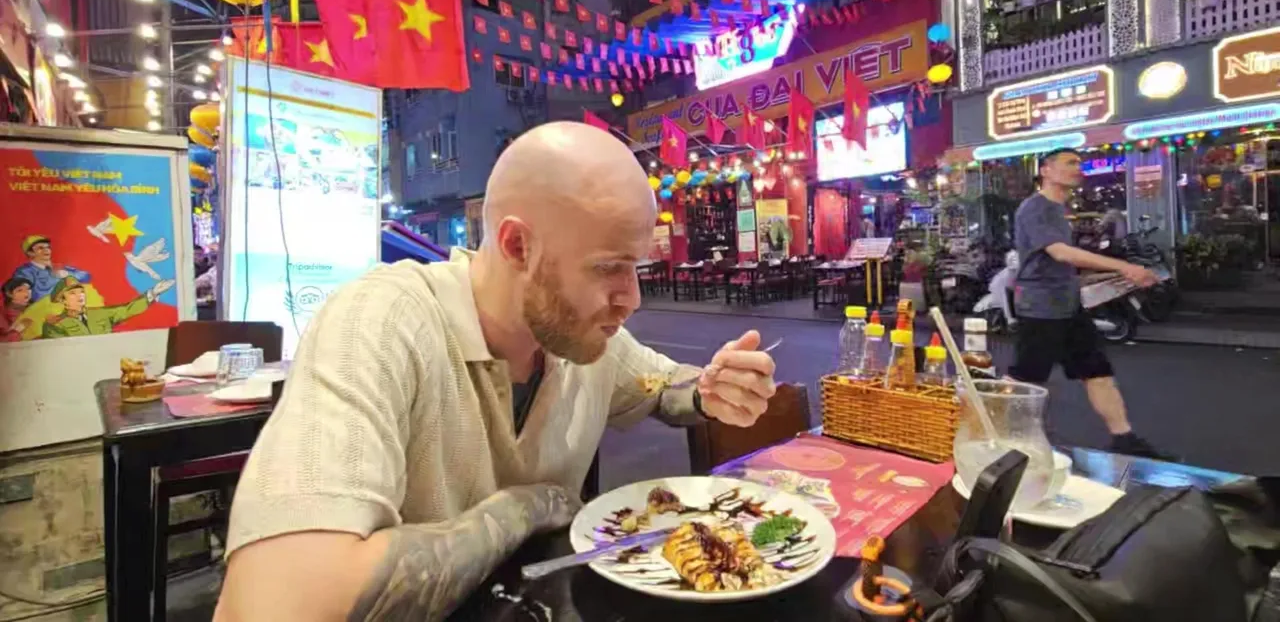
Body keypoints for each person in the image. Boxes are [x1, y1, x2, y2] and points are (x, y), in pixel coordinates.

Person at [214, 122, 779, 622]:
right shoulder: (382, 319)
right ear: (516, 246)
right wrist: (529, 506)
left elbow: (663, 386)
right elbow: (284, 597)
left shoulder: (578, 336)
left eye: (637, 268)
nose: (631, 299)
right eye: (609, 268)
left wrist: (711, 390)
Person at [1010, 148, 1164, 458]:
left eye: (1079, 163)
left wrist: (1103, 278)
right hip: (1041, 307)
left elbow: (1061, 263)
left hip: (1068, 305)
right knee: (1025, 381)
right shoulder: (1036, 208)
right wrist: (1124, 267)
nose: (1077, 168)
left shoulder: (1058, 210)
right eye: (1069, 163)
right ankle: (997, 436)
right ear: (1046, 170)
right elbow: (1060, 253)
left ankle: (1124, 438)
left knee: (1097, 370)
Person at [40, 276, 174, 338]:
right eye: (73, 293)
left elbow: (127, 310)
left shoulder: (100, 314)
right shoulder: (55, 325)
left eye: (81, 292)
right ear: (62, 300)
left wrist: (153, 293)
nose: (80, 295)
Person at [11, 235, 91, 302]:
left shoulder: (59, 267)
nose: (46, 250)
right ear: (30, 253)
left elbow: (86, 276)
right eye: (40, 248)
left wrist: (67, 274)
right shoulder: (24, 272)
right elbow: (31, 295)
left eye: (48, 247)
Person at [2, 276, 32, 342]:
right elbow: (4, 340)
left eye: (28, 289)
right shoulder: (4, 313)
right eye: (20, 290)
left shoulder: (34, 307)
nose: (26, 292)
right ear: (9, 293)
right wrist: (20, 328)